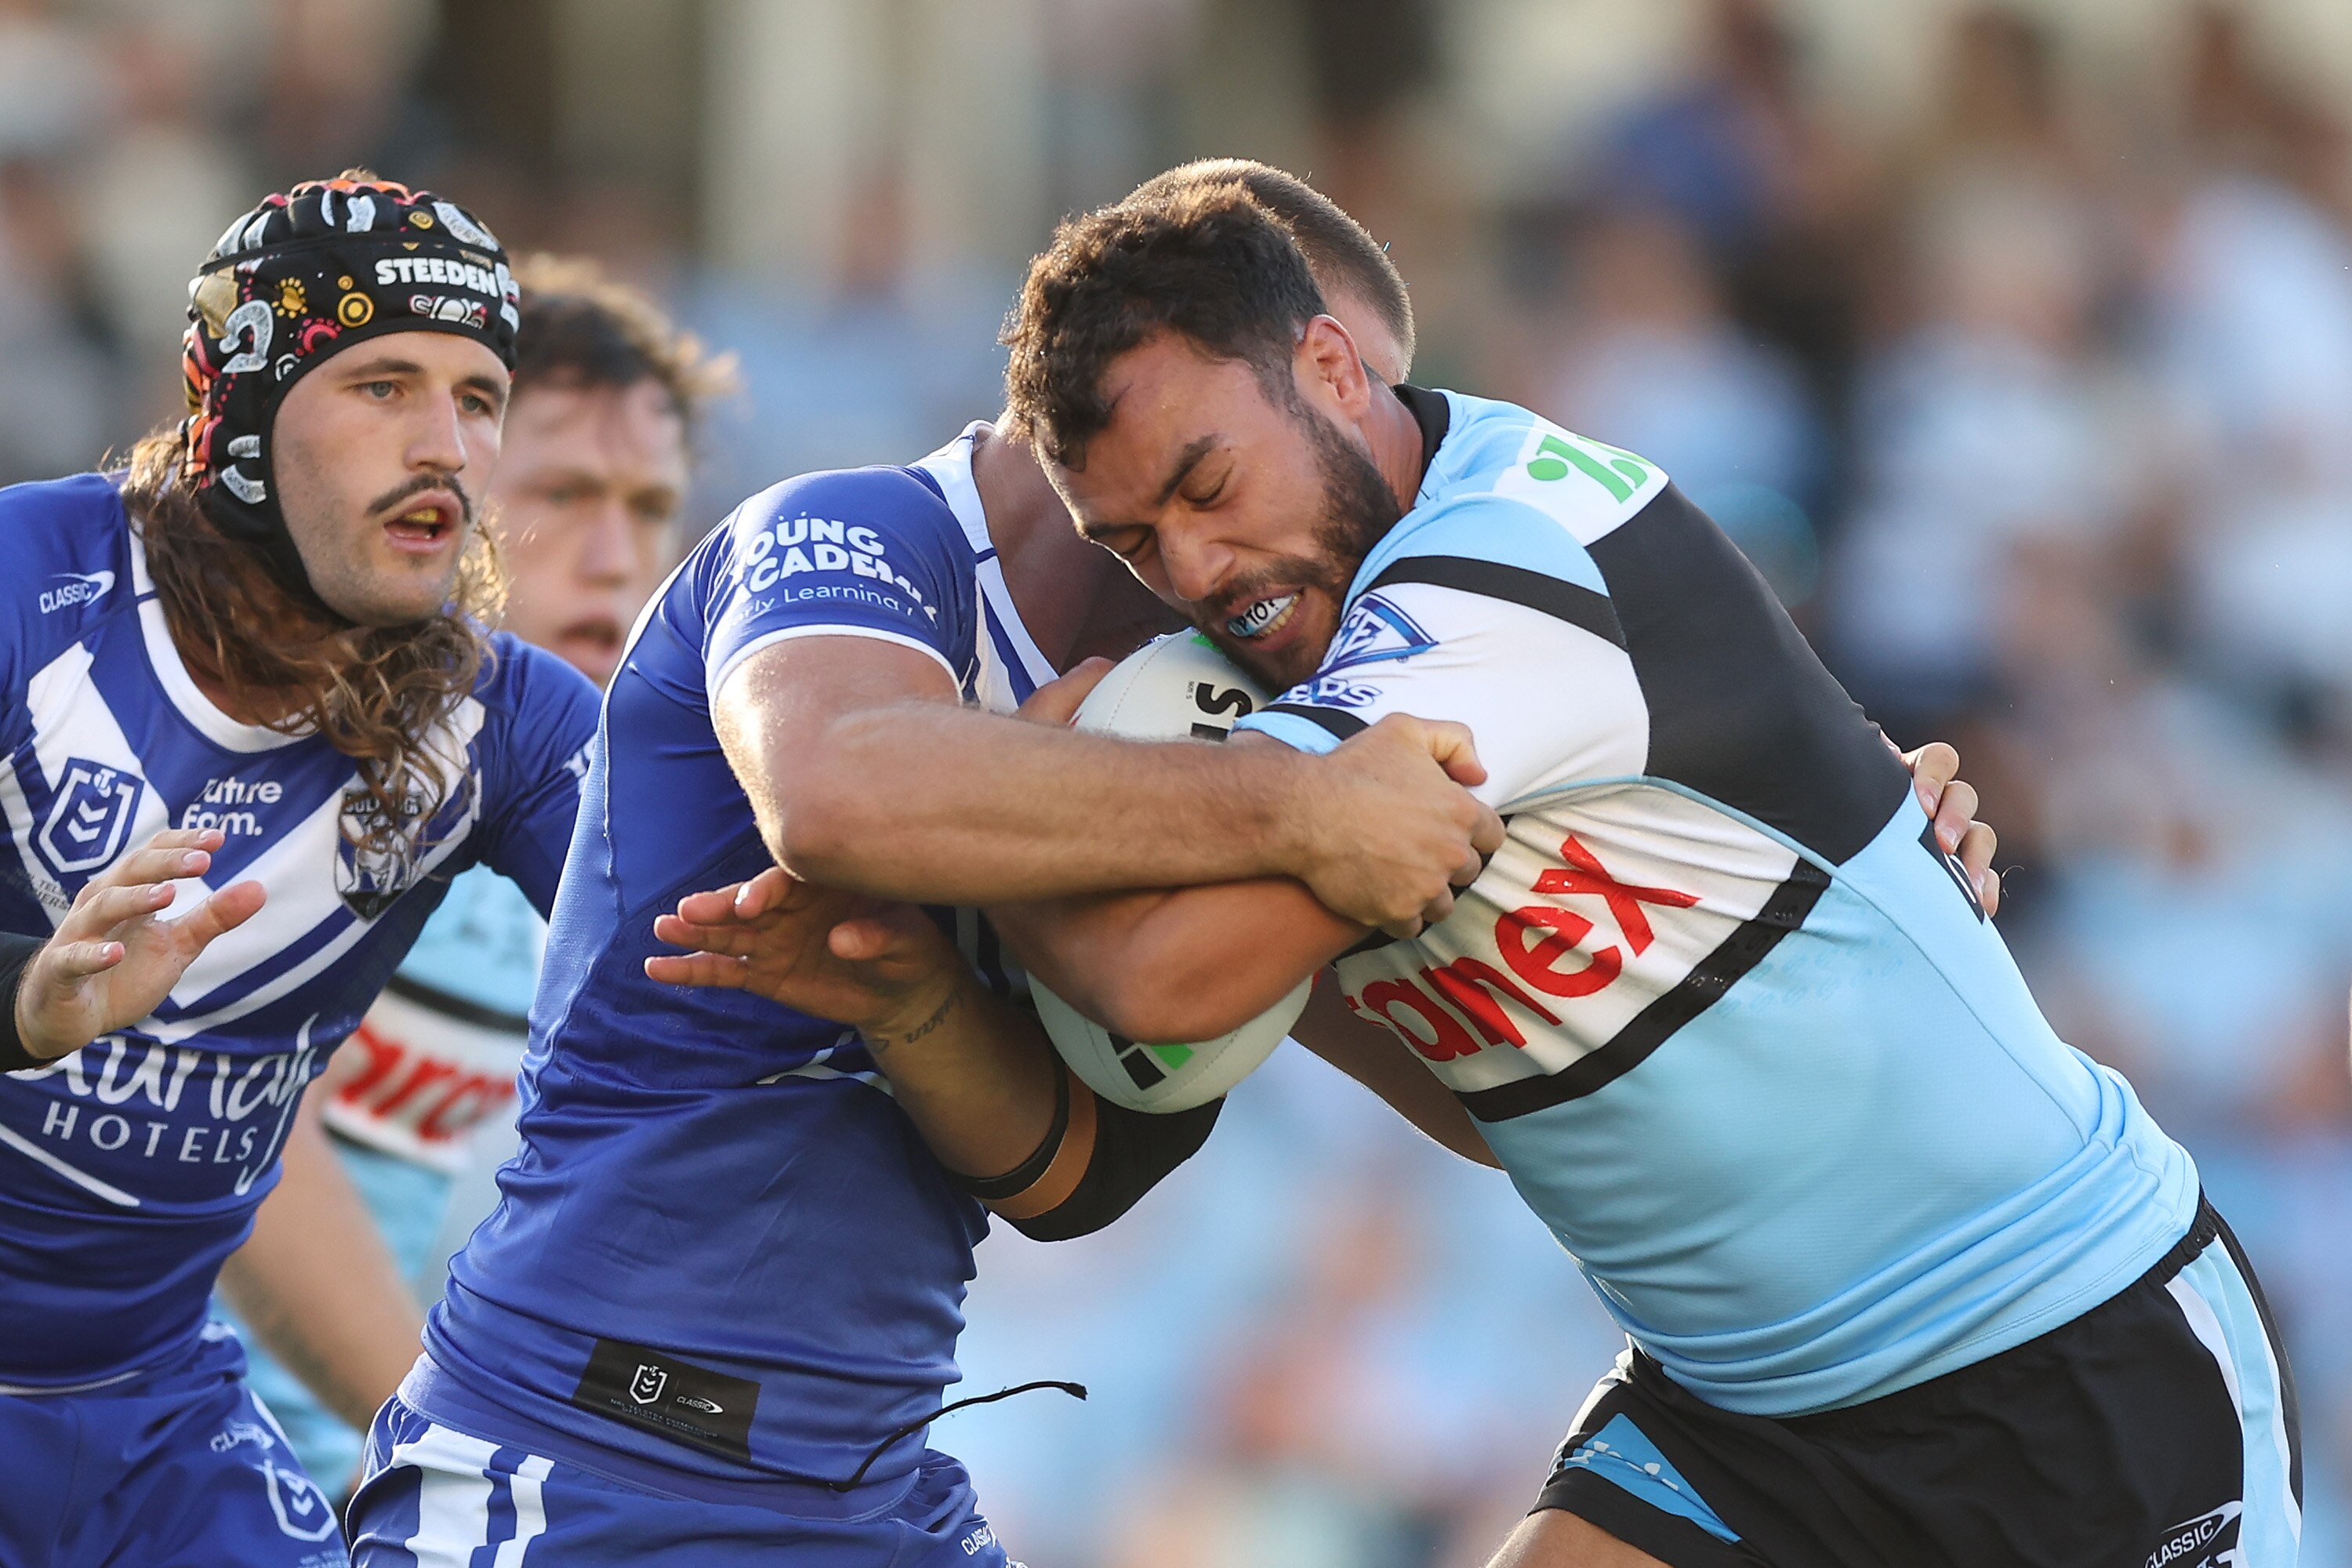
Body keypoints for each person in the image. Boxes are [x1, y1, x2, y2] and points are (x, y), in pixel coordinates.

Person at [348, 158, 2001, 1564]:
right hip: (584, 1459)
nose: (1327, 563)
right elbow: (841, 792)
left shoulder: (1217, 711)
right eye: (1207, 483)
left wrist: (1849, 855)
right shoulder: (849, 538)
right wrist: (1296, 820)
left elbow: (1084, 1170)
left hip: (867, 1483)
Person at [961, 182, 2296, 1567]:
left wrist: (1013, 817)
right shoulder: (1300, 671)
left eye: (1208, 485)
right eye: (1134, 543)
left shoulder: (1493, 579)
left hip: (2057, 1349)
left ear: (1333, 370)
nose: (1195, 567)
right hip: (1743, 1417)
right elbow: (1489, 1112)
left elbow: (1159, 984)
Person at [0, 172, 601, 1566]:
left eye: (479, 397)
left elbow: (735, 948)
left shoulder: (505, 723)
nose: (446, 445)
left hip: (151, 1411)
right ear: (245, 421)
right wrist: (26, 1002)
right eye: (384, 386)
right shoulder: (28, 580)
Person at [212, 257, 735, 1495]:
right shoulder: (314, 749)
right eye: (565, 492)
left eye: (648, 506)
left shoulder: (628, 831)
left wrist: (731, 1442)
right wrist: (462, 1453)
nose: (616, 557)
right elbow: (241, 1142)